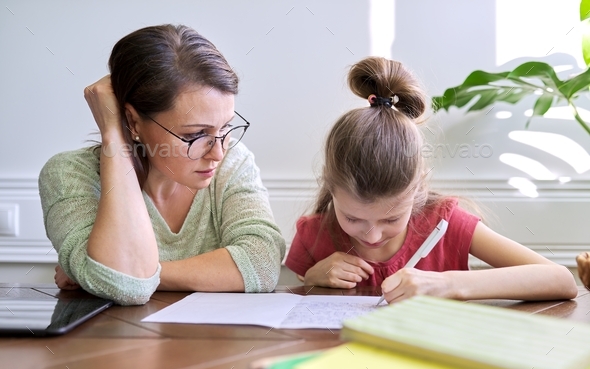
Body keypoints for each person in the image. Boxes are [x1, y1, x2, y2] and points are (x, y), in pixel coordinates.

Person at [284, 57, 578, 303]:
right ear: (330, 188)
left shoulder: (444, 223)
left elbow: (561, 280)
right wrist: (313, 276)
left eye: (390, 219)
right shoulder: (315, 234)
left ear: (417, 187)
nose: (372, 236)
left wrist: (448, 284)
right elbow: (302, 286)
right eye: (352, 218)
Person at [39, 24, 285, 306]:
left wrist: (111, 273)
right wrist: (113, 134)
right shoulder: (69, 174)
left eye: (226, 127)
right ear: (133, 121)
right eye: (194, 135)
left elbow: (263, 264)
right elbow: (125, 287)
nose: (218, 152)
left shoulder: (233, 160)